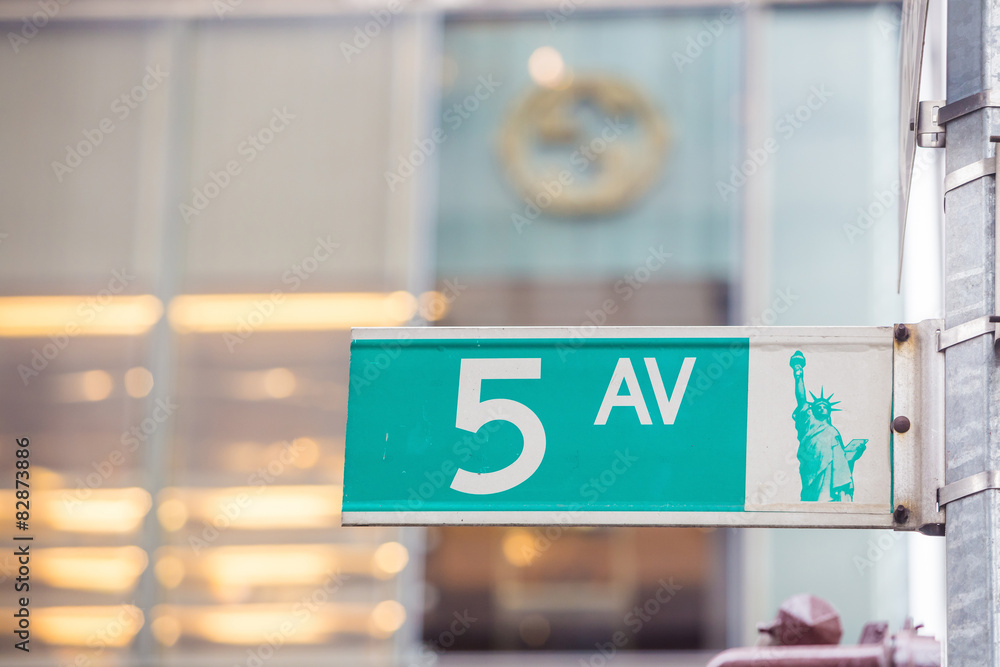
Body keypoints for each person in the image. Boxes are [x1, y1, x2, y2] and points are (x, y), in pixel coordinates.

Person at [789, 351, 860, 502]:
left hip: (831, 474)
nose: (821, 408)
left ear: (829, 411)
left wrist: (854, 452)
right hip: (813, 461)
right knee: (814, 494)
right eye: (818, 406)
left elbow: (842, 462)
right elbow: (801, 398)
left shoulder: (833, 431)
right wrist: (798, 375)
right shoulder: (808, 420)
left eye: (825, 406)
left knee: (829, 494)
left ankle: (832, 498)